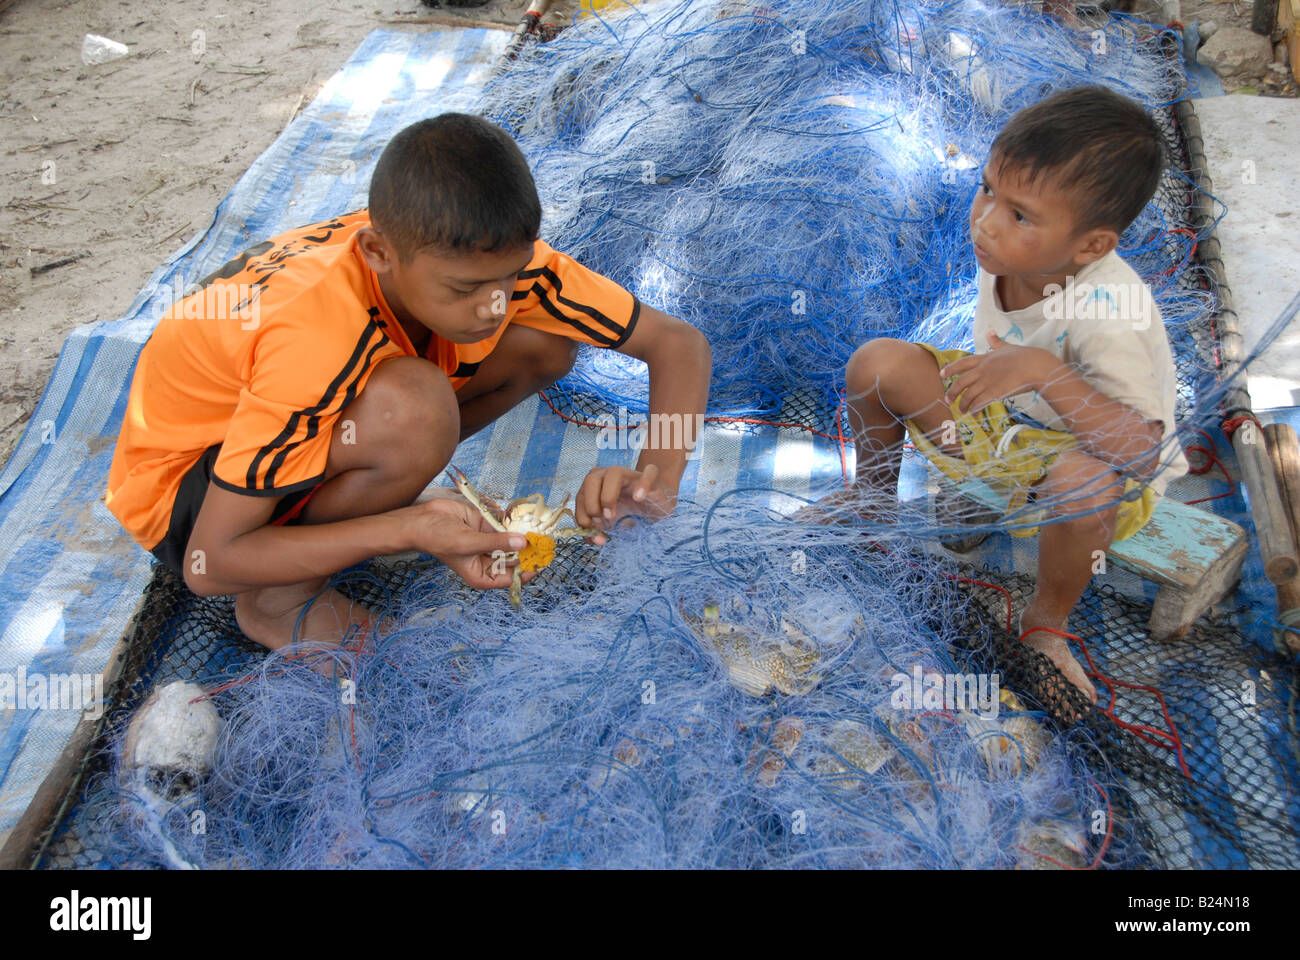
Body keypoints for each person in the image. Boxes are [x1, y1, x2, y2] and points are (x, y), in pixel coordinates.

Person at [106, 113, 711, 653]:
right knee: (415, 410)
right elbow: (208, 566)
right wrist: (408, 529)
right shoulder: (317, 338)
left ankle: (375, 488)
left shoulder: (482, 261)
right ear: (377, 253)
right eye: (464, 290)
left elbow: (678, 345)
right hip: (189, 497)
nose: (494, 304)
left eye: (509, 276)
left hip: (289, 442)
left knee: (544, 343)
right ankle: (280, 601)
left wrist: (653, 481)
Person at [802, 86, 1188, 703]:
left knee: (1085, 487)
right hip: (1006, 420)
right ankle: (872, 500)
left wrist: (1042, 372)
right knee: (876, 365)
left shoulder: (1110, 314)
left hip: (1096, 462)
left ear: (1092, 246)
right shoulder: (1008, 251)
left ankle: (1044, 624)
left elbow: (1140, 454)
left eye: (1020, 214)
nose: (984, 221)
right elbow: (999, 355)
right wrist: (1014, 378)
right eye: (987, 189)